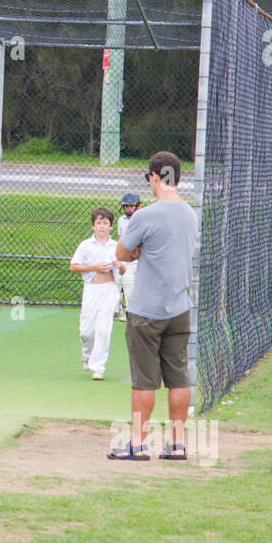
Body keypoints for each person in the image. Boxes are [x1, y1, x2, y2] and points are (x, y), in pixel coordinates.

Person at [111, 151, 199, 462]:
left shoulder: (145, 215)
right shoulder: (190, 213)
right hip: (179, 308)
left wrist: (136, 251)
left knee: (144, 380)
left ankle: (137, 443)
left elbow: (121, 253)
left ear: (153, 177)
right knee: (179, 377)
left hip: (147, 310)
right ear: (178, 177)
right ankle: (176, 444)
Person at [70, 206, 127, 380]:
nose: (102, 226)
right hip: (91, 290)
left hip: (109, 290)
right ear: (93, 226)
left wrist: (121, 266)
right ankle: (87, 355)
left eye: (106, 223)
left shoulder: (116, 246)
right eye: (99, 223)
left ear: (111, 226)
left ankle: (98, 367)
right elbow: (73, 267)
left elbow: (123, 270)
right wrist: (94, 267)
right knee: (86, 332)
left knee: (103, 330)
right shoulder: (86, 245)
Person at [115, 192, 143, 320]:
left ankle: (130, 311)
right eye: (126, 206)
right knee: (118, 281)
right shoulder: (121, 220)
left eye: (131, 206)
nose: (129, 209)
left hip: (135, 258)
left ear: (137, 206)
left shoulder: (141, 219)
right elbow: (120, 238)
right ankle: (116, 309)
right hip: (123, 256)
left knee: (129, 283)